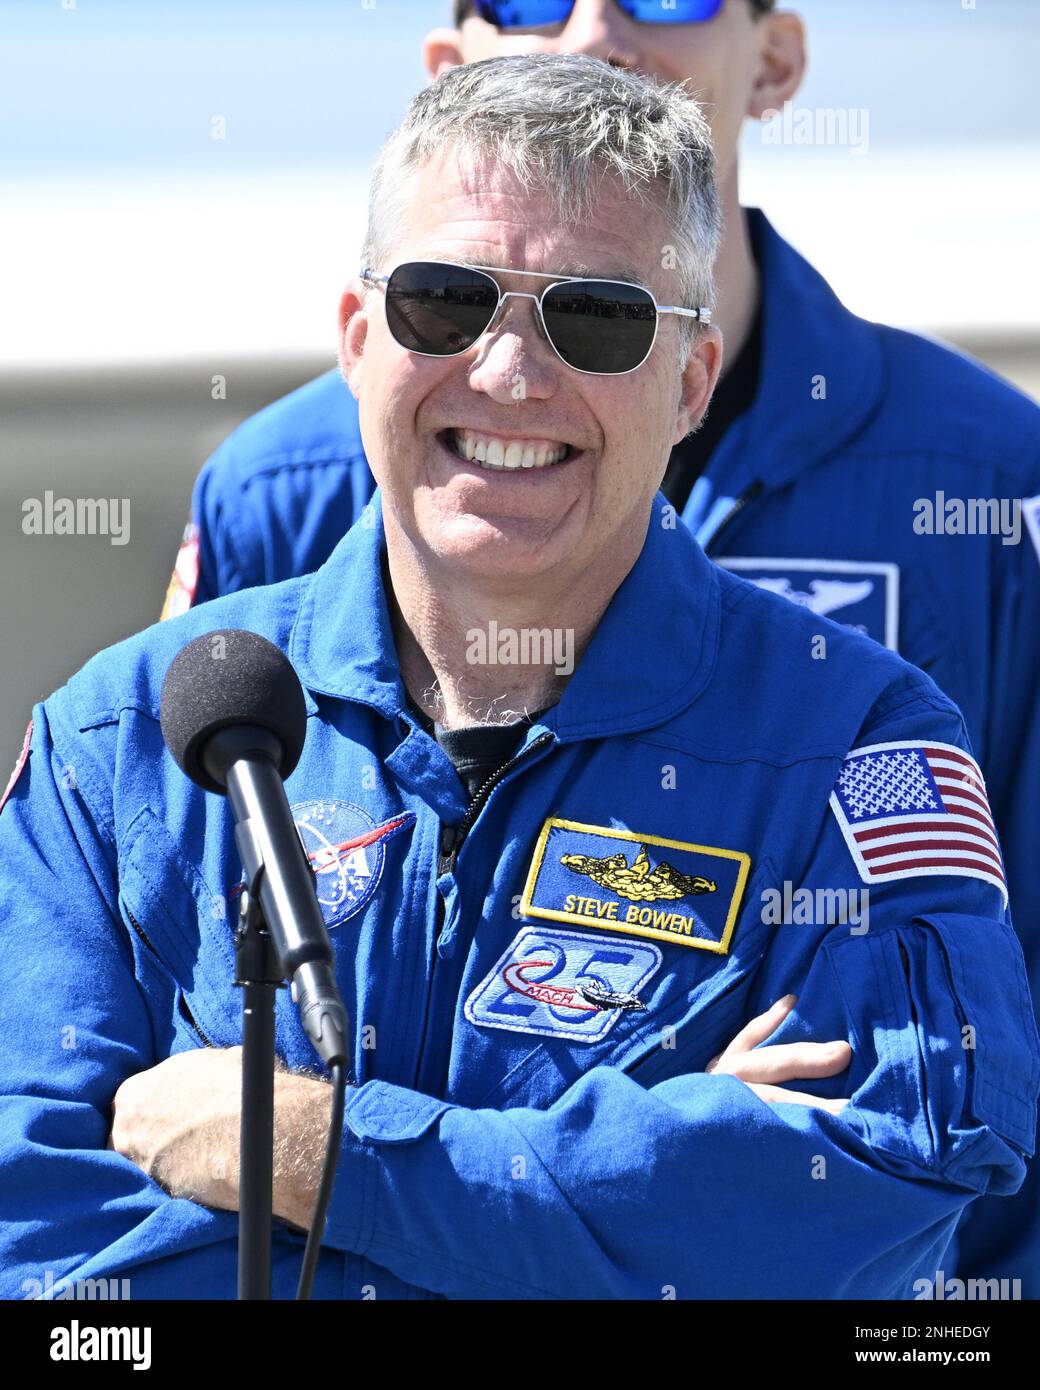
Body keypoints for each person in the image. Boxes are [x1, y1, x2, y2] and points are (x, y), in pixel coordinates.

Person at [2, 56, 1036, 1301]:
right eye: (444, 302)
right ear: (354, 339)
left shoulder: (856, 746)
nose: (504, 373)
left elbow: (875, 1185)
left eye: (592, 317)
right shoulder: (111, 747)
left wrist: (314, 1154)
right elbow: (44, 1253)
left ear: (691, 381)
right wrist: (628, 1174)